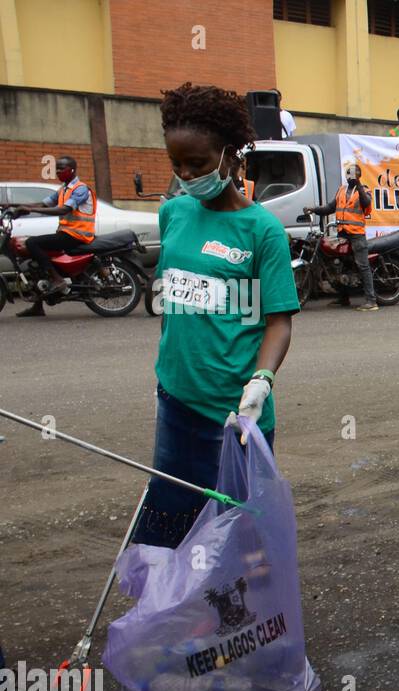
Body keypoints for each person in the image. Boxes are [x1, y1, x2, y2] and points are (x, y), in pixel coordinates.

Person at [131, 83, 299, 549]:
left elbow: (279, 321)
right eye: (177, 164)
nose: (186, 175)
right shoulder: (175, 213)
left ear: (229, 156)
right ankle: (175, 614)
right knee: (171, 512)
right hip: (176, 400)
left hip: (235, 414)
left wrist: (261, 380)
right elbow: (171, 299)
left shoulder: (262, 230)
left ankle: (232, 616)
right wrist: (168, 365)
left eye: (197, 164)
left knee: (236, 529)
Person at [2, 156, 96, 317]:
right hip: (66, 233)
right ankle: (38, 306)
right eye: (57, 168)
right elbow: (43, 204)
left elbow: (62, 210)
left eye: (62, 168)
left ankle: (57, 279)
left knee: (32, 243)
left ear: (72, 170)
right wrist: (15, 206)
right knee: (34, 261)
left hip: (78, 235)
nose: (58, 171)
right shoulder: (64, 189)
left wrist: (30, 210)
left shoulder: (80, 189)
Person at [303, 161, 378, 311]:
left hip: (357, 235)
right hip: (343, 234)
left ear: (358, 175)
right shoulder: (341, 190)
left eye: (353, 174)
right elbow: (329, 208)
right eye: (348, 173)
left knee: (363, 266)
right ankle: (344, 298)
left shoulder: (364, 190)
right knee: (340, 265)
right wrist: (313, 209)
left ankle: (371, 301)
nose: (349, 176)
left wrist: (359, 184)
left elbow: (366, 203)